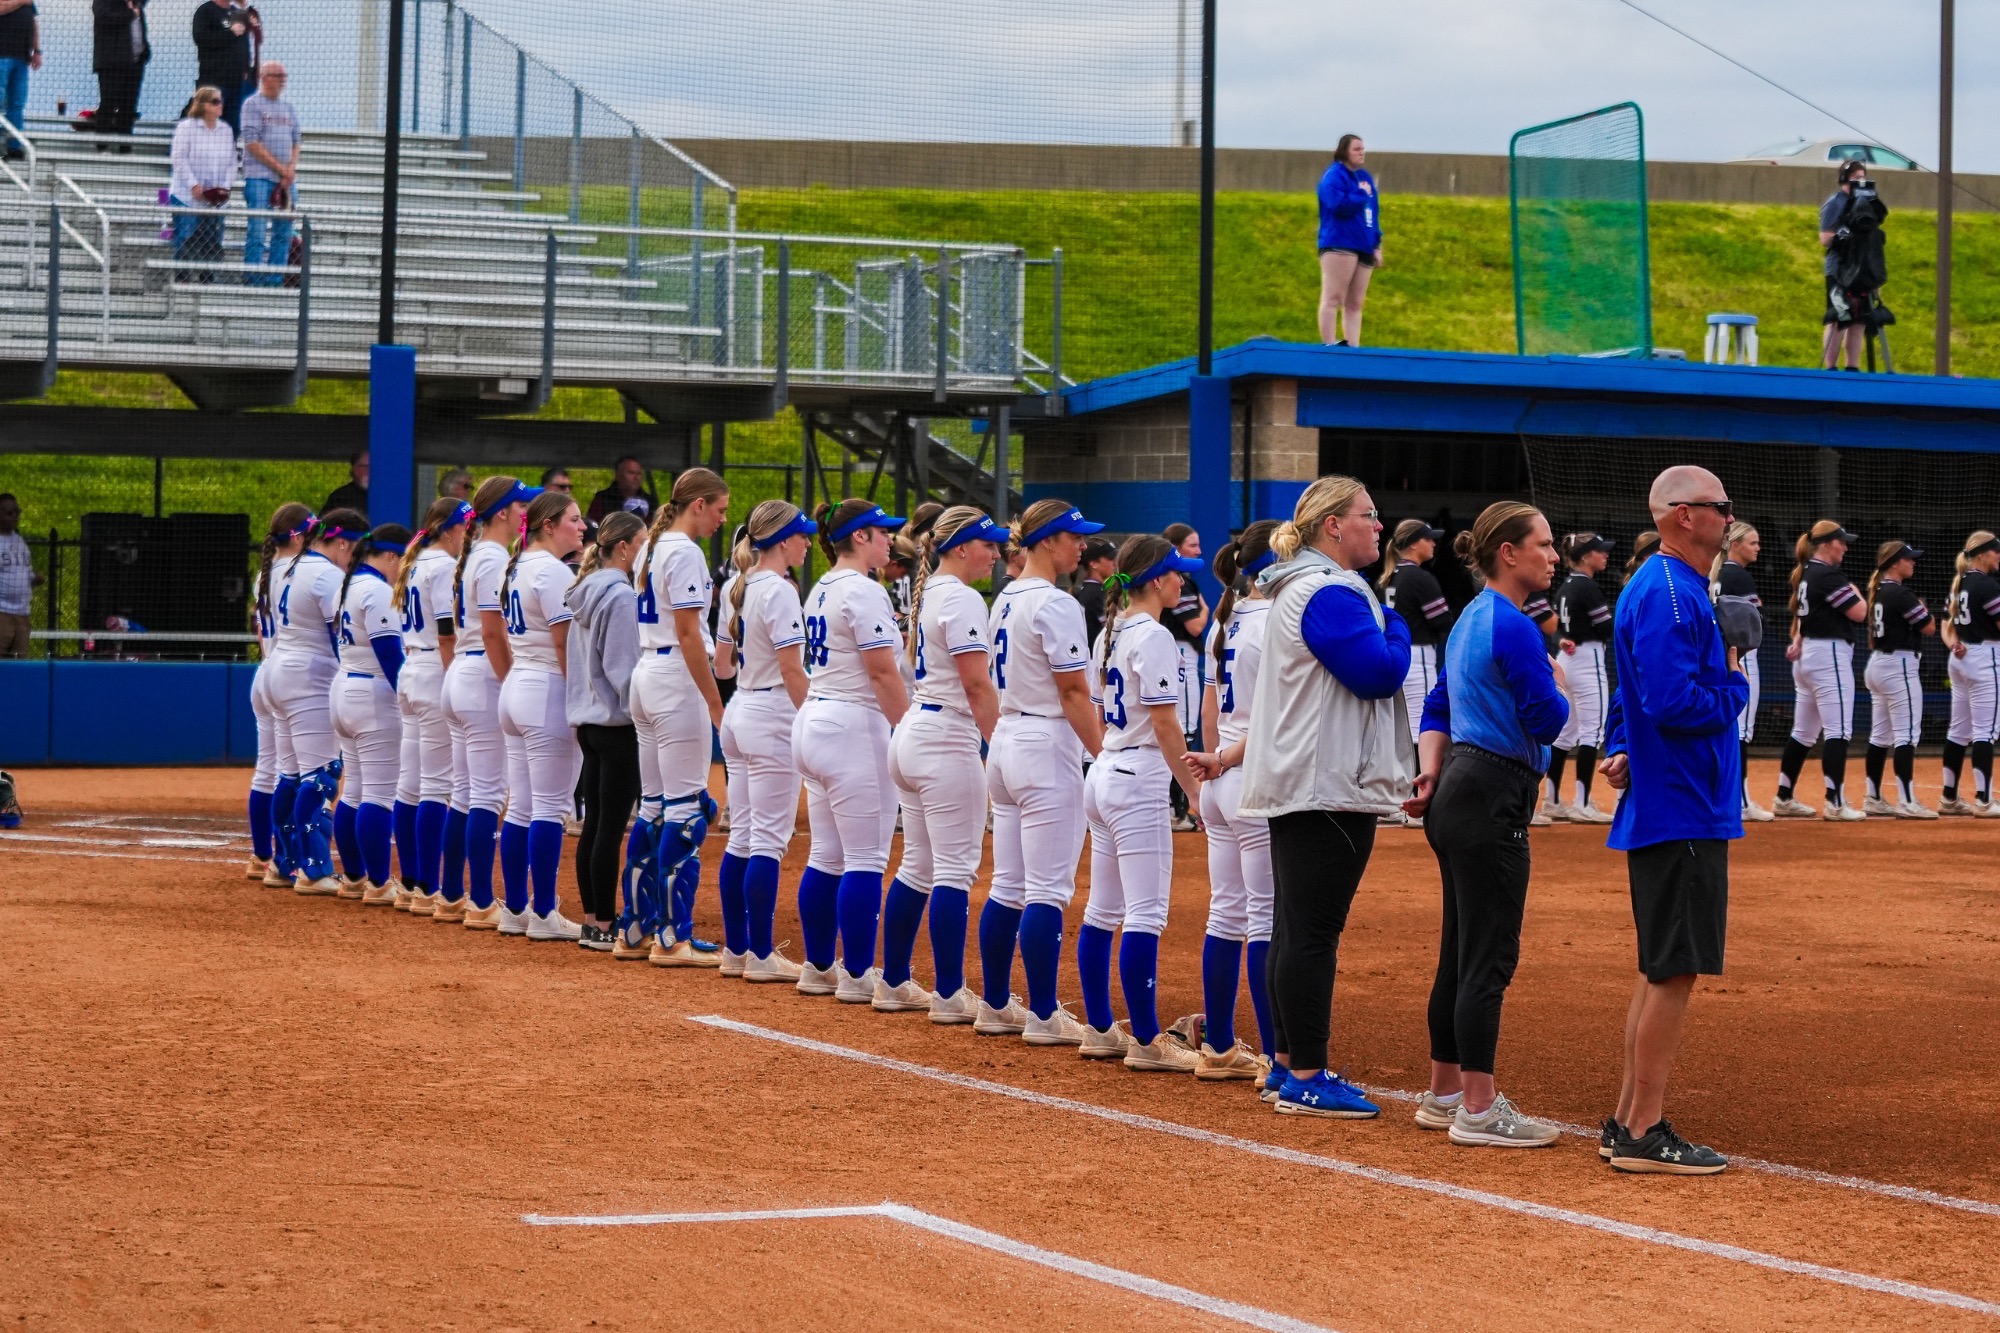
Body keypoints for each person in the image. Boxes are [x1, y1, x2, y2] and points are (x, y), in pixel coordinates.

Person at [1236, 475, 1410, 1117]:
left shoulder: (1302, 584)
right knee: (1312, 933)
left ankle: (1288, 1065)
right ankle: (1306, 1070)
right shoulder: (1331, 589)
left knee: (1294, 927)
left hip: (1306, 777)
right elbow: (1379, 673)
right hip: (1326, 781)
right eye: (1368, 514)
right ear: (1332, 524)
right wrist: (1393, 620)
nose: (1379, 525)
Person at [1405, 503, 1568, 1148]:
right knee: (1488, 956)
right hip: (1493, 789)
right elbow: (1546, 720)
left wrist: (1429, 771)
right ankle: (1478, 1106)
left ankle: (1445, 1092)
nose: (1553, 556)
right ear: (1509, 553)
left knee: (1460, 948)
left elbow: (1438, 703)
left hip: (1457, 789)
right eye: (1544, 545)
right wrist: (1558, 683)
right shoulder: (1517, 625)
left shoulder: (1472, 615)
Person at [1597, 465, 1745, 1174]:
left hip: (1672, 798)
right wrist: (1738, 679)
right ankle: (1643, 1130)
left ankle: (1629, 1117)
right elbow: (1673, 701)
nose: (1730, 515)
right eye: (1720, 506)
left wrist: (1622, 747)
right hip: (1684, 801)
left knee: (1661, 968)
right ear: (1684, 515)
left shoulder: (1662, 587)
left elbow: (1632, 702)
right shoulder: (1670, 592)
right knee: (1674, 967)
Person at [976, 501, 1107, 1044]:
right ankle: (1044, 1013)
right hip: (1045, 739)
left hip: (1007, 738)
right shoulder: (1056, 602)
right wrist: (1105, 752)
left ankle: (996, 1003)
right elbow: (1073, 690)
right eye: (1074, 537)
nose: (1083, 546)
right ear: (1049, 541)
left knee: (1007, 884)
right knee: (1046, 889)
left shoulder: (1005, 596)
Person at [1079, 534, 1209, 1072]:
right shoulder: (1152, 634)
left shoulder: (1111, 629)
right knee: (1145, 912)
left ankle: (1100, 1027)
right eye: (1177, 572)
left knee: (1102, 909)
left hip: (1106, 770)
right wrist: (1196, 790)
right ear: (1156, 580)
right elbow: (1163, 723)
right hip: (1136, 777)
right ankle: (1148, 1040)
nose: (1183, 580)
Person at [882, 506, 1008, 1015]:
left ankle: (894, 981)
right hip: (945, 737)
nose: (996, 554)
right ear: (960, 548)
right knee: (954, 871)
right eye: (988, 544)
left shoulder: (931, 588)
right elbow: (977, 685)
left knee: (918, 866)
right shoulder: (959, 596)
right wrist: (1001, 747)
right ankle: (950, 994)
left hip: (915, 729)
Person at [791, 499, 910, 1000]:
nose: (889, 540)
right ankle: (859, 975)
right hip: (852, 724)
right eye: (881, 532)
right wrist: (907, 731)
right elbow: (882, 671)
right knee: (864, 858)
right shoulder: (862, 589)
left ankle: (819, 966)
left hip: (816, 719)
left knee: (827, 854)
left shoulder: (822, 585)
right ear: (859, 538)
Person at [625, 468, 731, 965]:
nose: (721, 519)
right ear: (698, 505)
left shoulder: (650, 544)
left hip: (648, 673)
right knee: (686, 810)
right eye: (720, 509)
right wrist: (714, 701)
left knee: (653, 806)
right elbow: (690, 634)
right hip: (674, 676)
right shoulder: (683, 550)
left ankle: (636, 928)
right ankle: (673, 938)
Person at [1186, 521, 1280, 1081]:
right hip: (1249, 774)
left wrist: (1207, 775)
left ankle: (1219, 1044)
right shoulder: (1277, 619)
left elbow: (1205, 713)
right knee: (1266, 920)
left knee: (1226, 915)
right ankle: (1276, 1053)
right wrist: (1224, 762)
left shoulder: (1225, 617)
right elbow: (1274, 718)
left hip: (1220, 775)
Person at [713, 501, 816, 982]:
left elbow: (722, 666)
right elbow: (793, 669)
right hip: (771, 711)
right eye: (801, 535)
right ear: (780, 540)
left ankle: (737, 951)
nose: (808, 542)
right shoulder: (779, 590)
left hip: (740, 711)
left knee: (744, 836)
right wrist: (813, 716)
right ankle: (758, 955)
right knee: (768, 842)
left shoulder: (740, 584)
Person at [443, 476, 537, 930]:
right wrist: (511, 680)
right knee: (486, 794)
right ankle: (480, 899)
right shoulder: (494, 556)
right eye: (521, 506)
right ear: (502, 512)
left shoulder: (476, 554)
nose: (526, 513)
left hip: (462, 671)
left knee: (465, 792)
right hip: (483, 673)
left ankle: (452, 893)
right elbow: (494, 631)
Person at [495, 492, 587, 940]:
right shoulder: (550, 569)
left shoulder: (520, 564)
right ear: (549, 525)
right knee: (549, 808)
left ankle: (516, 909)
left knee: (523, 806)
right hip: (545, 686)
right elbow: (563, 641)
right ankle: (545, 913)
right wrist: (581, 696)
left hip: (517, 685)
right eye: (574, 519)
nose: (583, 526)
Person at [268, 508, 367, 896]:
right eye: (355, 550)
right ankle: (314, 870)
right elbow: (338, 634)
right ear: (342, 543)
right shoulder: (326, 573)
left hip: (281, 669)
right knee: (321, 774)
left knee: (291, 775)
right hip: (308, 675)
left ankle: (284, 862)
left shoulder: (285, 565)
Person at [562, 511, 645, 950]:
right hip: (616, 723)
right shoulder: (621, 596)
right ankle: (604, 923)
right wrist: (643, 711)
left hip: (588, 723)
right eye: (642, 541)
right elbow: (622, 668)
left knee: (596, 824)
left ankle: (594, 920)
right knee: (610, 828)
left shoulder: (583, 588)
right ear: (625, 548)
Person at [390, 497, 469, 919]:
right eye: (465, 526)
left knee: (411, 784)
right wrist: (454, 678)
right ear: (449, 528)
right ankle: (428, 886)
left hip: (412, 669)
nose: (467, 535)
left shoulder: (419, 561)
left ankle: (410, 883)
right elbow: (445, 633)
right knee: (437, 786)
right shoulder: (441, 565)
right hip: (435, 669)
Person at [330, 523, 414, 907]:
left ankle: (353, 877)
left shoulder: (348, 584)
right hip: (372, 691)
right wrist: (406, 697)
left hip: (345, 685)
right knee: (378, 795)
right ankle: (379, 883)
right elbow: (389, 653)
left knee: (356, 791)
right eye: (404, 561)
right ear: (392, 556)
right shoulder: (378, 589)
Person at [1772, 521, 1866, 820]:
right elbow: (1859, 613)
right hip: (1829, 656)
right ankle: (1835, 801)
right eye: (1842, 542)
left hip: (1810, 654)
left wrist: (1798, 640)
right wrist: (1855, 589)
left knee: (1804, 732)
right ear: (1826, 544)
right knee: (1838, 730)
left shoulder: (1808, 573)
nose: (1846, 547)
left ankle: (1784, 797)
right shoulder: (1826, 574)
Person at [248, 503, 311, 883]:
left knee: (266, 771)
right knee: (296, 772)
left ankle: (261, 856)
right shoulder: (301, 571)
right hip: (293, 675)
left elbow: (259, 633)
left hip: (267, 670)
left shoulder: (265, 572)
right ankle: (290, 858)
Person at [1859, 541, 1936, 819]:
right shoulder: (1900, 593)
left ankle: (1874, 796)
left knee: (1880, 736)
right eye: (1908, 558)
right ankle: (1907, 801)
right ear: (1894, 563)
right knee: (1906, 735)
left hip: (1879, 663)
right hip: (1899, 665)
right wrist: (1924, 608)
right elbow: (1929, 627)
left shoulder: (1880, 590)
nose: (1912, 562)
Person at [1547, 533, 1616, 823]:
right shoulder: (1588, 587)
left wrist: (1562, 638)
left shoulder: (1566, 585)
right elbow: (1605, 628)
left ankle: (1551, 800)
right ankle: (1583, 802)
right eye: (1600, 551)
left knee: (1564, 734)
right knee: (1591, 732)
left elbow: (1559, 625)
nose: (1605, 555)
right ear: (1586, 556)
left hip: (1568, 659)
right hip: (1588, 661)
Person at [1711, 523, 1770, 820]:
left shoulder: (1715, 571)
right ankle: (1741, 801)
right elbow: (1756, 622)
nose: (1757, 547)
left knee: (1730, 729)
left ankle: (1730, 797)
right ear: (1735, 544)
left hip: (1719, 655)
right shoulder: (1739, 575)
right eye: (1752, 542)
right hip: (1741, 656)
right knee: (1741, 732)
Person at [1939, 531, 2000, 816]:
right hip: (1985, 657)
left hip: (1961, 657)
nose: (1998, 556)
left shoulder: (1959, 583)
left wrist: (1954, 644)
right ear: (1982, 554)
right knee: (1984, 732)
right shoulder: (1987, 585)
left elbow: (1945, 624)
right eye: (1995, 551)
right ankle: (1985, 800)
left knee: (1959, 730)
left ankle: (1949, 797)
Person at [1376, 520, 1451, 747]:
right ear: (1413, 543)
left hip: (1390, 654)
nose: (1433, 543)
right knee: (1422, 730)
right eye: (1428, 539)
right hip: (1417, 659)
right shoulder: (1419, 578)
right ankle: (1415, 784)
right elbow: (1443, 623)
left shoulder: (1386, 577)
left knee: (1396, 730)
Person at [1161, 523, 1209, 833]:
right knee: (1186, 729)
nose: (1199, 551)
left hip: (1172, 653)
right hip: (1181, 657)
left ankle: (1173, 806)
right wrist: (1205, 609)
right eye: (1192, 545)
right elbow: (1195, 627)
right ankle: (1179, 808)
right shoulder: (1186, 585)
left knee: (1178, 727)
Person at [1316, 133, 1382, 346]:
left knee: (1355, 303)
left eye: (1363, 149)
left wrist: (1377, 243)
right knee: (1333, 297)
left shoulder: (1365, 178)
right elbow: (1337, 206)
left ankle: (1353, 347)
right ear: (1344, 151)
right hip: (1340, 243)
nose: (1361, 153)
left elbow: (1373, 212)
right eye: (1356, 149)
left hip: (1364, 244)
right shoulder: (1334, 176)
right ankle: (1329, 342)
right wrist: (1360, 195)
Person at [237, 61, 298, 287]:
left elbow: (297, 141)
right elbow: (252, 143)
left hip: (286, 180)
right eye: (278, 75)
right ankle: (252, 278)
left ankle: (275, 279)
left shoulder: (289, 107)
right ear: (265, 78)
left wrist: (290, 170)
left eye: (285, 75)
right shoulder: (252, 105)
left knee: (284, 231)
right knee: (258, 230)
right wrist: (282, 170)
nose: (283, 80)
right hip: (259, 177)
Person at [169, 87, 233, 282]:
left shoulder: (226, 130)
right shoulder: (186, 128)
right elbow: (179, 158)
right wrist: (193, 185)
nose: (220, 105)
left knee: (212, 239)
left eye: (220, 101)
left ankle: (207, 278)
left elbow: (232, 162)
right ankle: (182, 278)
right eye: (215, 101)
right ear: (202, 104)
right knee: (186, 237)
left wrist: (225, 187)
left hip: (215, 199)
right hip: (188, 196)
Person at [1820, 160, 1878, 372]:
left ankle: (1853, 367)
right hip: (1838, 270)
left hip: (1860, 270)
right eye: (1855, 178)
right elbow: (1825, 237)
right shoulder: (1835, 202)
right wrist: (1844, 236)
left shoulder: (1865, 205)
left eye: (1863, 178)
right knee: (1837, 319)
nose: (1859, 182)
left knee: (1858, 321)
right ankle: (1831, 367)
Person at [90, 0, 148, 141]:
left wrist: (145, 52)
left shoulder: (136, 4)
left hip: (135, 62)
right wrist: (129, 14)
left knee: (129, 106)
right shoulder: (107, 4)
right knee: (109, 103)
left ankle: (125, 146)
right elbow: (103, 17)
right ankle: (102, 145)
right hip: (112, 62)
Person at [190, 0, 251, 130]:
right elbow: (201, 38)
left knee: (231, 127)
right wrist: (230, 33)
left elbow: (244, 42)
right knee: (207, 126)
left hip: (236, 83)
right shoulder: (205, 10)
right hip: (214, 82)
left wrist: (245, 66)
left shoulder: (236, 12)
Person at [0, 493, 40, 658]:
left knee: (19, 665)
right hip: (2, 612)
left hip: (22, 614)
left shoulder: (20, 542)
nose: (15, 516)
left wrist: (34, 578)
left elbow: (25, 572)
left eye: (17, 511)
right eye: (10, 512)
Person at [0, 0, 38, 162]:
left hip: (21, 57)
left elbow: (34, 22)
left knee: (17, 103)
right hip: (2, 55)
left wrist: (36, 50)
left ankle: (14, 146)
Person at [1073, 536, 1117, 650]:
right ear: (1093, 563)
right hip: (1095, 660)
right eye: (1110, 558)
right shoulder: (1093, 594)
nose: (1114, 564)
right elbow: (1115, 630)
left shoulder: (1092, 590)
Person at [586, 456, 657, 525]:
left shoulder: (650, 501)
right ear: (618, 475)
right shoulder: (602, 498)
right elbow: (592, 526)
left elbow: (657, 528)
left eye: (639, 473)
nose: (636, 477)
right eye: (631, 473)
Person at [324, 451, 369, 518]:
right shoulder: (340, 496)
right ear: (354, 468)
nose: (369, 470)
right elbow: (322, 525)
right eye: (365, 466)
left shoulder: (387, 494)